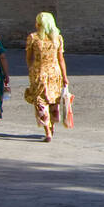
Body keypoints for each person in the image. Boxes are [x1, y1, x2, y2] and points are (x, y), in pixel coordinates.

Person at [24, 12, 69, 142]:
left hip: (39, 72)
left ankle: (47, 131)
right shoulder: (58, 38)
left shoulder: (33, 38)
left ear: (39, 24)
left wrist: (31, 69)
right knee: (53, 100)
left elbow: (28, 58)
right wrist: (65, 76)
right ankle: (52, 125)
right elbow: (61, 59)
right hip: (55, 73)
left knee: (40, 101)